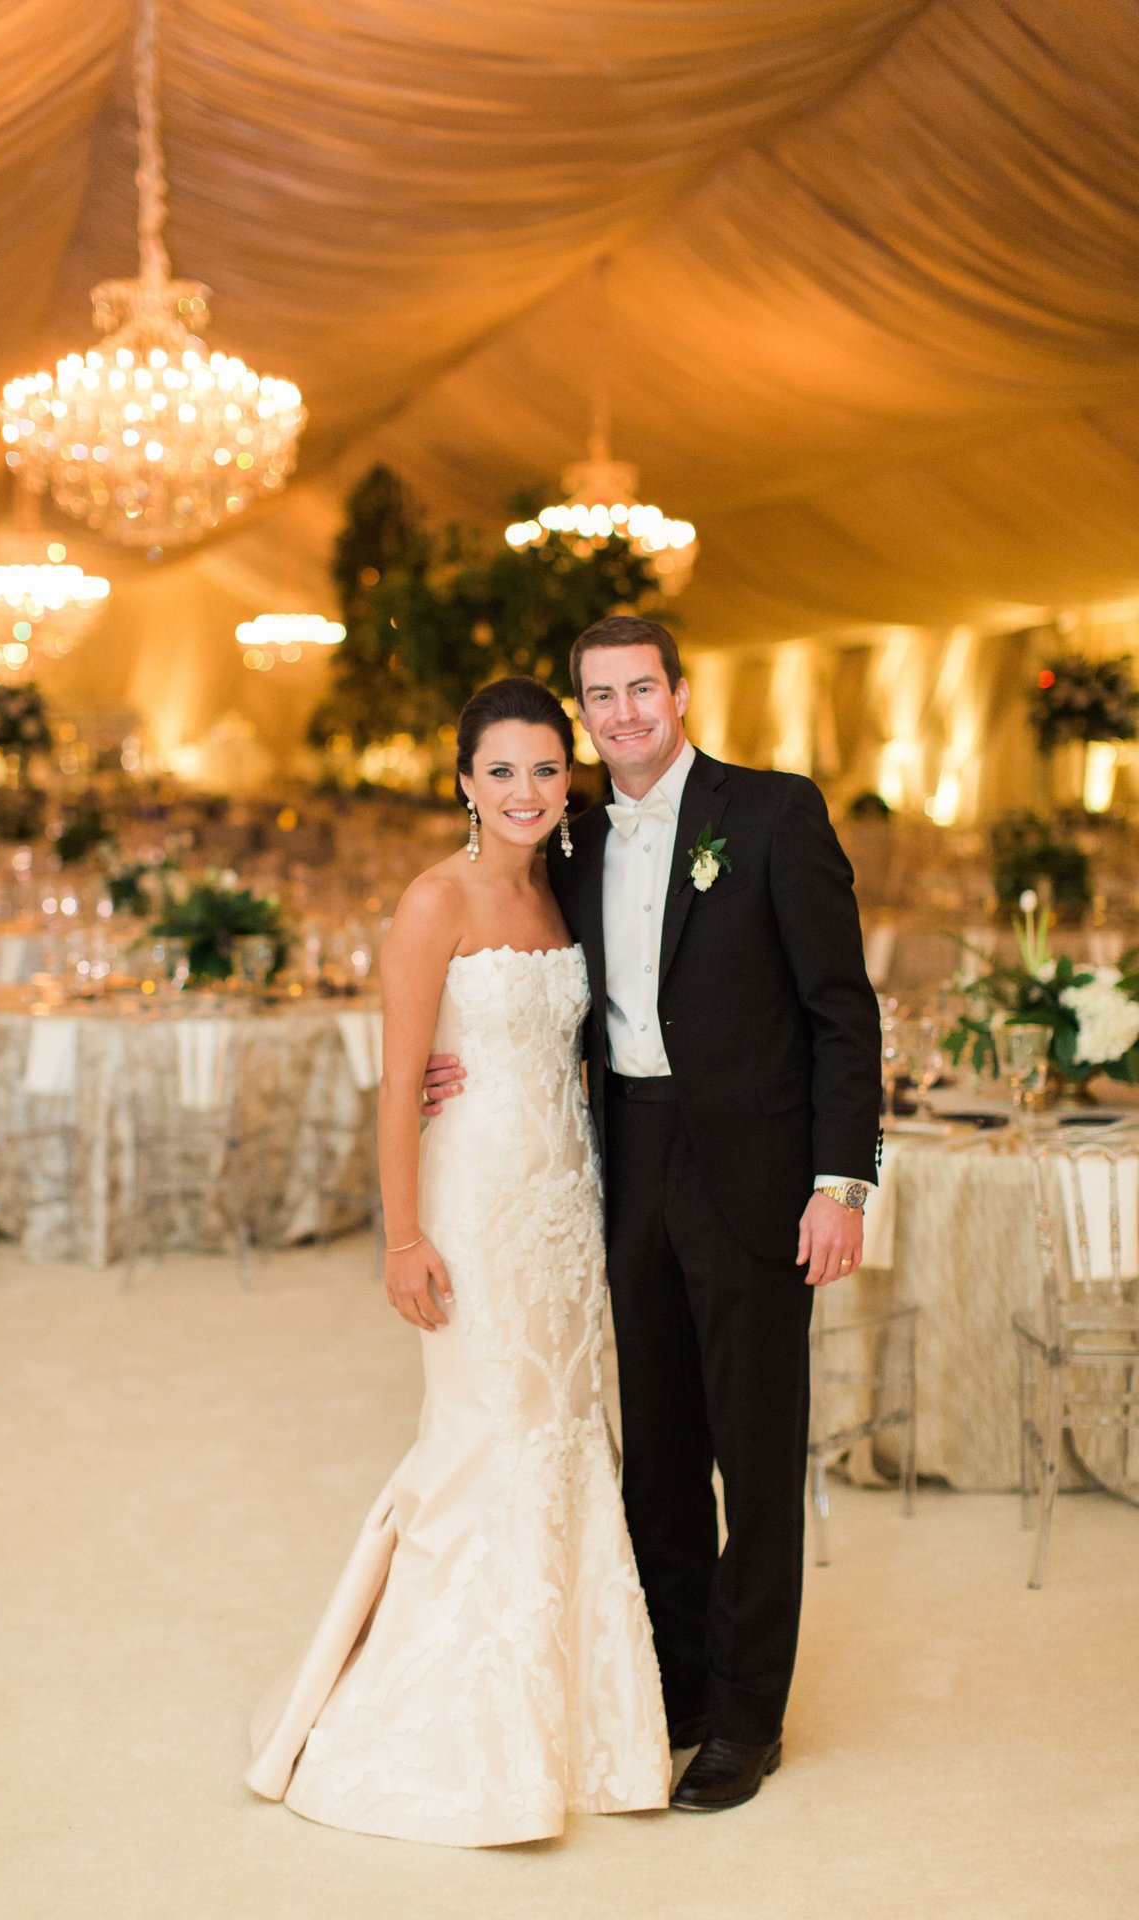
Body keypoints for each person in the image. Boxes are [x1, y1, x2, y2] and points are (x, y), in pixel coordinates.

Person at [423, 616, 882, 1813]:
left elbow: (844, 1013)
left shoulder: (773, 813)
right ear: (580, 714)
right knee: (660, 1451)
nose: (622, 712)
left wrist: (841, 1181)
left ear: (679, 692)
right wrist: (448, 1051)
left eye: (641, 688)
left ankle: (743, 1717)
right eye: (599, 696)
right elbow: (479, 936)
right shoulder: (566, 839)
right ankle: (671, 1685)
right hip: (621, 1156)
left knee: (754, 1448)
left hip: (758, 1173)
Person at [244, 675, 670, 1848]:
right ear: (462, 783)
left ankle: (582, 1724)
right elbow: (399, 1083)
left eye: (545, 767)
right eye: (500, 771)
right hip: (474, 1200)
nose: (525, 791)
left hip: (565, 1198)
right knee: (484, 1434)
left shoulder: (562, 890)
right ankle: (449, 1733)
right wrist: (400, 1235)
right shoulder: (433, 900)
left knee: (567, 1428)